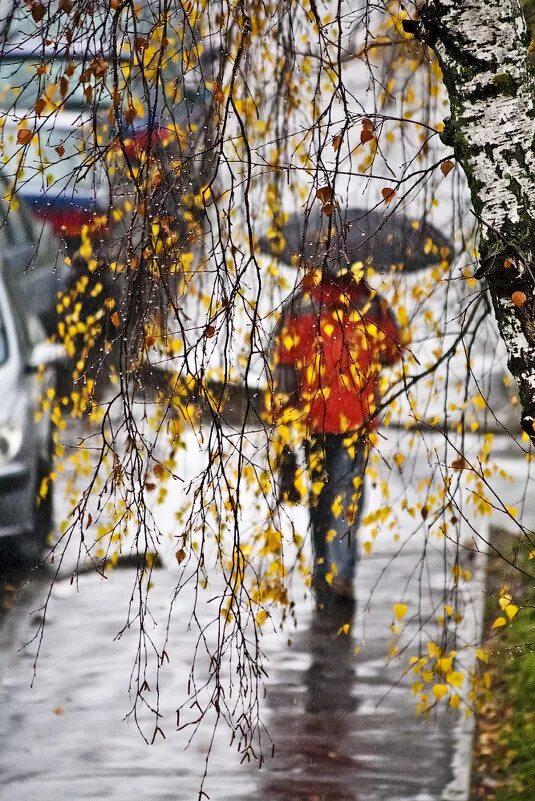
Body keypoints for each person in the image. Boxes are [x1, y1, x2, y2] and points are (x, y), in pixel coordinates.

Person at [272, 263, 401, 606]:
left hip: (313, 421)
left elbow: (283, 372)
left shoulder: (298, 305)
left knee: (322, 498)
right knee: (346, 496)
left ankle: (324, 571)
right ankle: (339, 572)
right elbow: (394, 352)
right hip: (357, 420)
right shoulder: (372, 304)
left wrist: (284, 428)